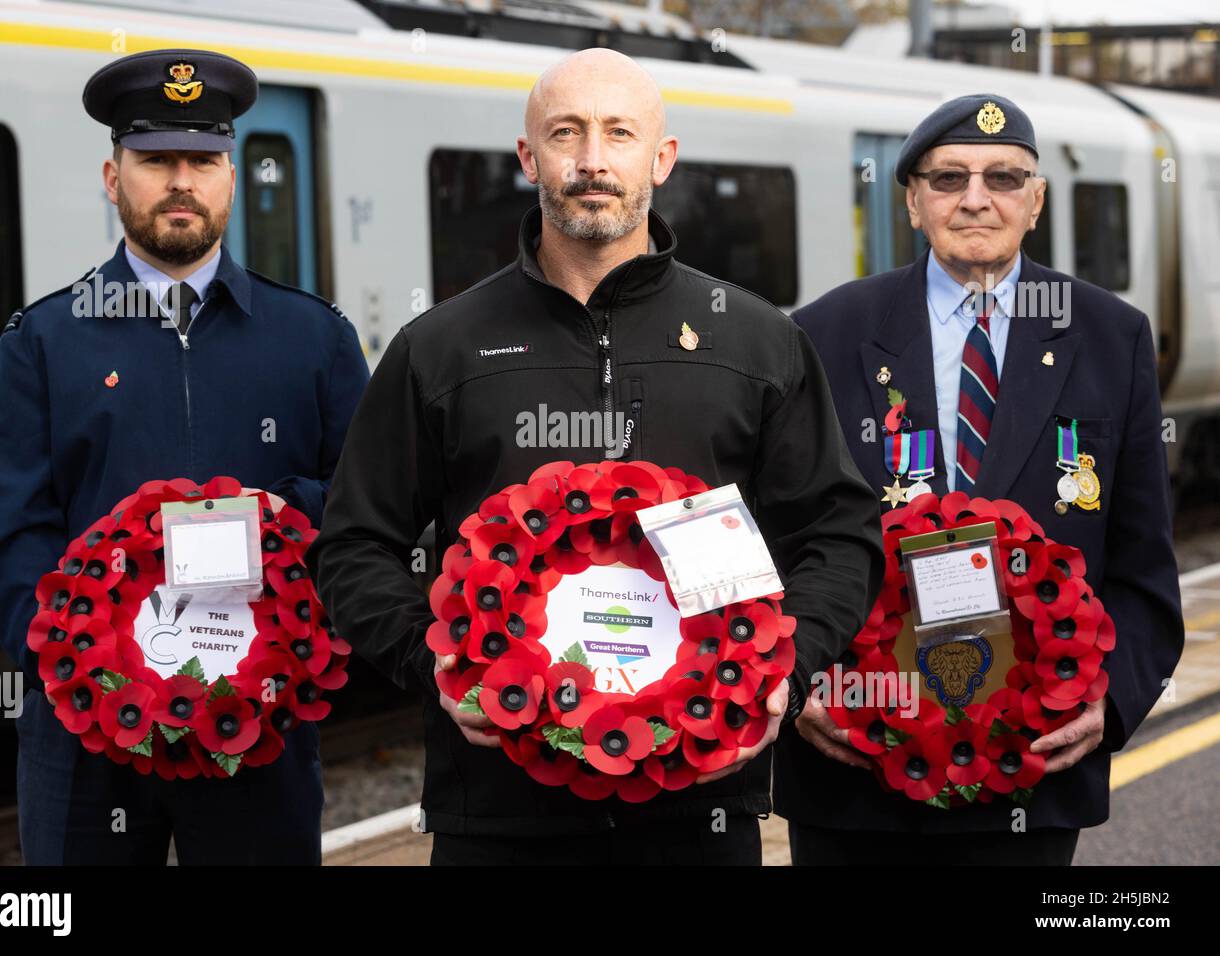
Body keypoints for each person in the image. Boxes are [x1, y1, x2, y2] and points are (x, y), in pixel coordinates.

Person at [309, 48, 883, 866]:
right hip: (499, 811)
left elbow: (839, 532)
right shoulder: (440, 348)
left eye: (619, 133)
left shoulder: (757, 341)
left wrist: (787, 663)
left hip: (701, 808)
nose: (591, 161)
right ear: (527, 157)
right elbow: (354, 543)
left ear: (662, 158)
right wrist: (432, 660)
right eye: (566, 133)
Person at [0, 48, 369, 864]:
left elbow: (365, 506)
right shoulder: (42, 343)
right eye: (156, 161)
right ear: (113, 180)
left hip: (259, 721)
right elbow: (13, 534)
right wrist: (79, 674)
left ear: (230, 177)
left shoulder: (314, 340)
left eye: (203, 160)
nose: (181, 180)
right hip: (87, 732)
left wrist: (285, 518)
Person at [778, 93, 1184, 865]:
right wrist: (799, 689)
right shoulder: (821, 333)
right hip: (854, 770)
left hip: (1028, 767)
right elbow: (775, 539)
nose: (975, 198)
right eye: (948, 178)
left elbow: (1144, 569)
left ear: (1036, 201)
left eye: (1004, 177)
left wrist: (1111, 700)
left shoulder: (1109, 336)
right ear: (912, 200)